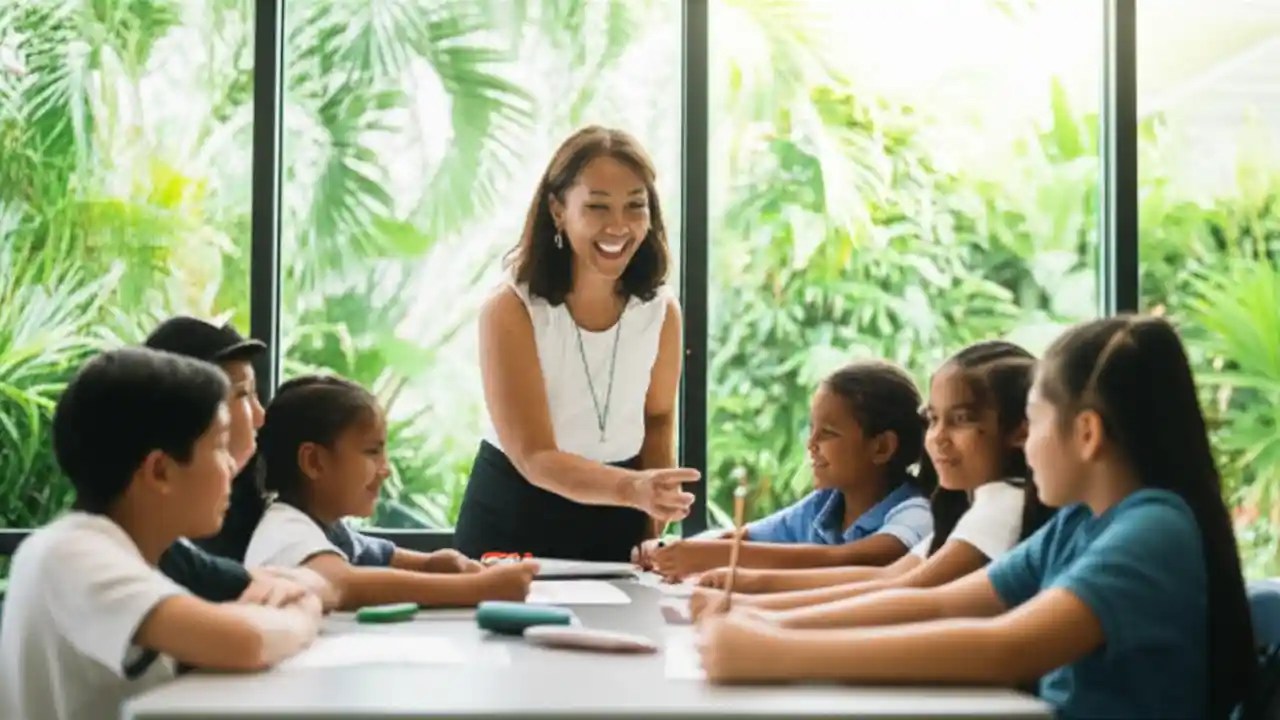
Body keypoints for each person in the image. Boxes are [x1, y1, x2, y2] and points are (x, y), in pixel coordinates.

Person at [695, 316, 1257, 720]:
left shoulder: (1153, 530)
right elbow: (936, 601)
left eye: (1032, 424)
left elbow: (1007, 647)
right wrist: (769, 625)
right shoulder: (1079, 523)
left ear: (1086, 434)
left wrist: (778, 652)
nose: (1024, 444)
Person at [0, 348, 321, 720]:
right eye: (219, 446)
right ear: (160, 471)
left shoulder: (132, 551)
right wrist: (303, 613)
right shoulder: (72, 553)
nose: (232, 464)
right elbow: (246, 642)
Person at [453, 126, 699, 562]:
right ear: (557, 210)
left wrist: (652, 515)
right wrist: (632, 490)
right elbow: (534, 455)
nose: (619, 225)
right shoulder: (510, 309)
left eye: (635, 206)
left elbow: (657, 416)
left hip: (620, 515)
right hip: (516, 514)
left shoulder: (661, 310)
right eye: (597, 207)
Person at [689, 342, 1053, 617]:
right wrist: (746, 589)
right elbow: (885, 579)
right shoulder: (968, 506)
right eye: (934, 419)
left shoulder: (1005, 502)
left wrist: (764, 616)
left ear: (1020, 432)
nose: (938, 437)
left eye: (960, 420)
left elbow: (910, 590)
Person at [244, 375, 537, 608]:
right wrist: (481, 589)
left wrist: (434, 563)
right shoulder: (285, 530)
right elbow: (343, 584)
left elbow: (381, 556)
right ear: (314, 462)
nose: (385, 469)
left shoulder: (329, 530)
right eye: (372, 452)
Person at [635, 360, 933, 581]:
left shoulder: (915, 512)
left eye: (827, 433)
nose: (811, 443)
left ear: (881, 447)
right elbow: (741, 538)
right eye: (812, 428)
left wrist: (721, 557)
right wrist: (669, 551)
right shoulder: (823, 507)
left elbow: (861, 561)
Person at [145, 316, 333, 606]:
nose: (260, 416)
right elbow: (246, 638)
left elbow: (312, 586)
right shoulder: (145, 548)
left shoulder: (235, 512)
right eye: (243, 394)